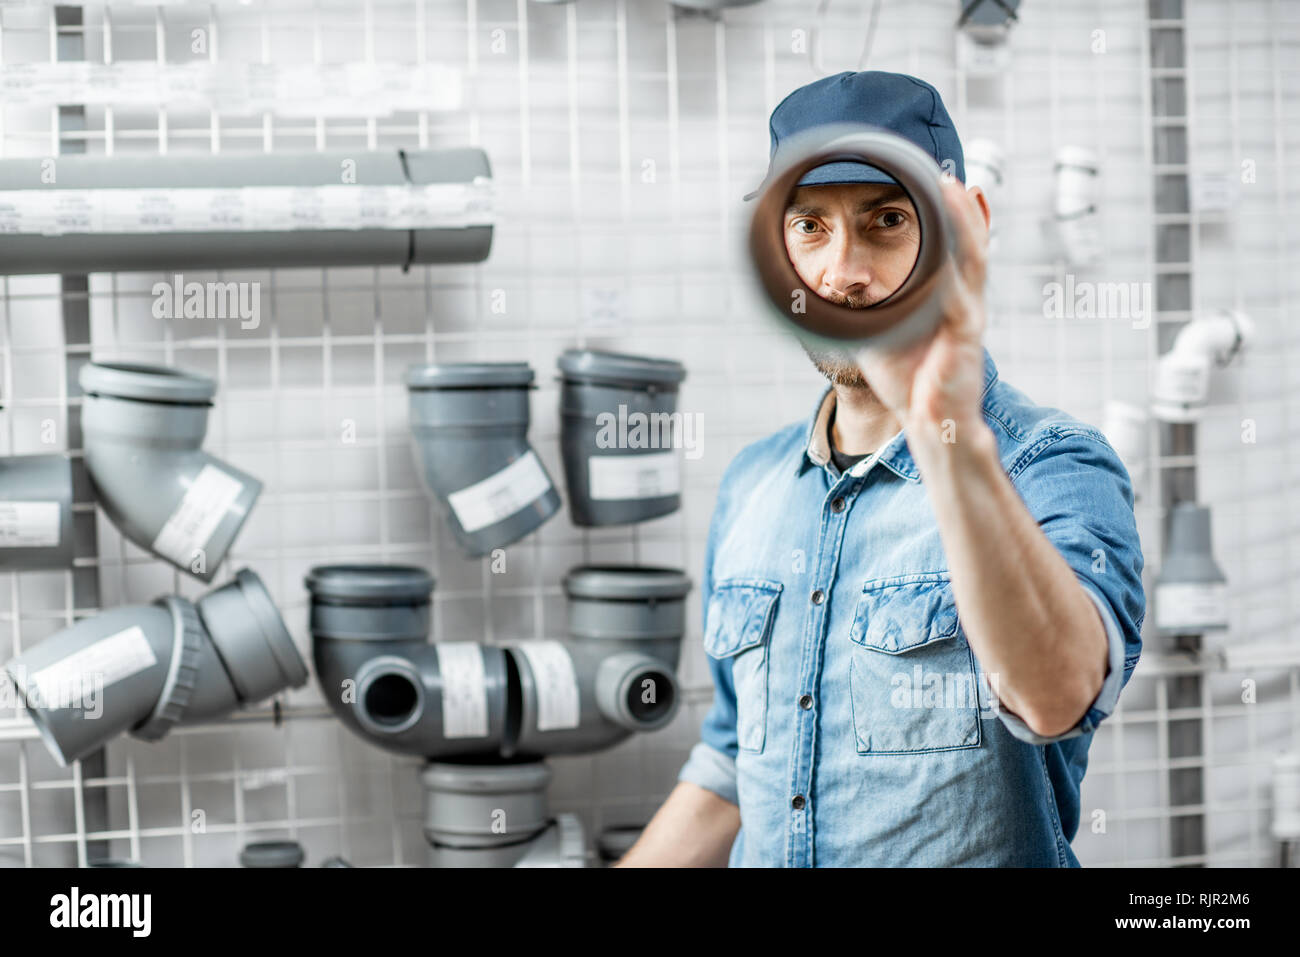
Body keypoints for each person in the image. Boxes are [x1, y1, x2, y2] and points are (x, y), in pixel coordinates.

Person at [615, 71, 1145, 867]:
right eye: (810, 227)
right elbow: (730, 767)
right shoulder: (751, 486)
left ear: (966, 230)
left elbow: (1057, 692)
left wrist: (942, 430)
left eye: (887, 221)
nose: (843, 273)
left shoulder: (1055, 465)